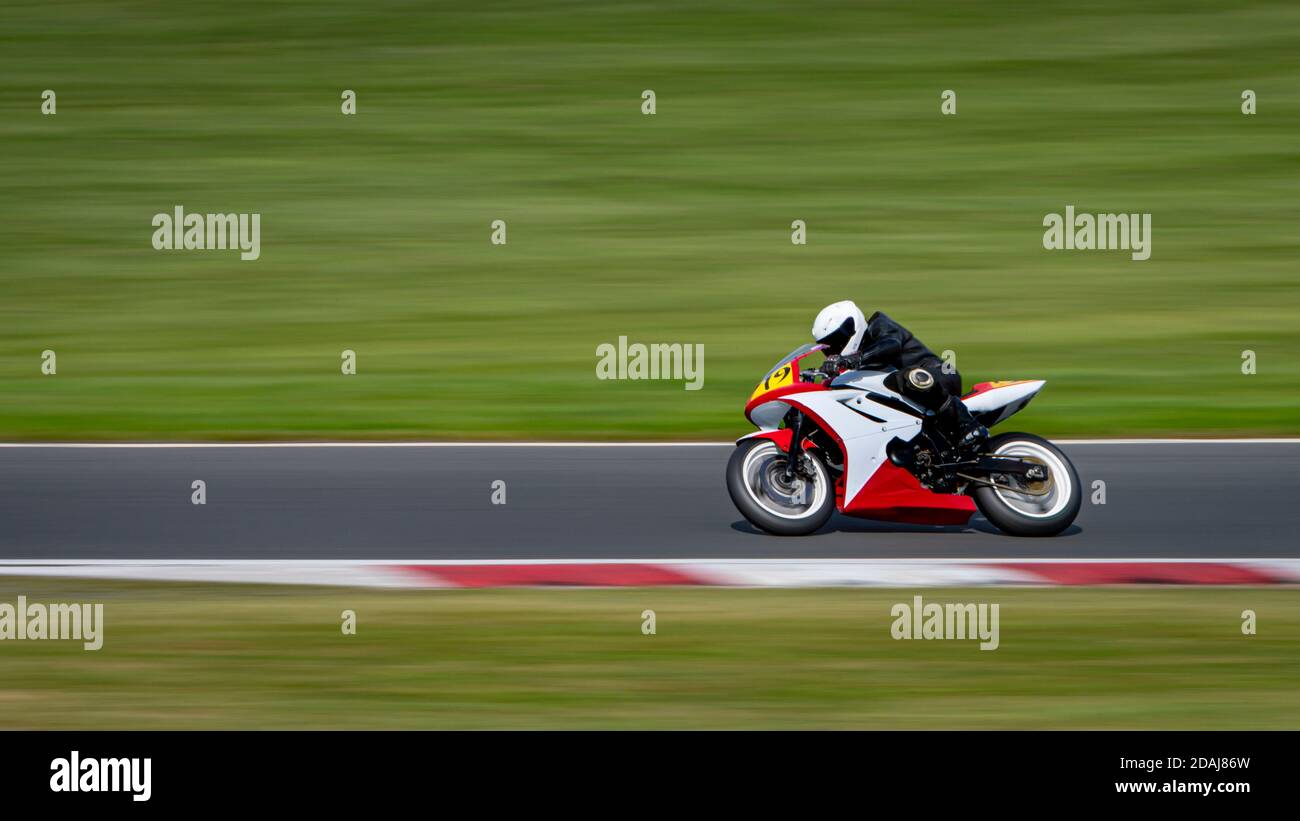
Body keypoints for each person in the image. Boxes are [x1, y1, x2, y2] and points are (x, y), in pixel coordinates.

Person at [811, 300, 987, 450]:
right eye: (828, 347)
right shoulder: (856, 360)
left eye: (837, 341)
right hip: (911, 394)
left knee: (912, 377)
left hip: (938, 376)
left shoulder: (879, 325)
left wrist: (850, 360)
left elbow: (890, 345)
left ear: (852, 327)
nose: (834, 349)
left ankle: (967, 425)